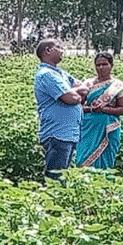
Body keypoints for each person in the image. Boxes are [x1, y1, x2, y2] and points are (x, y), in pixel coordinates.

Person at [34, 38, 88, 180]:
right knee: (55, 179)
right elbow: (71, 98)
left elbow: (82, 87)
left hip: (69, 133)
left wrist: (75, 91)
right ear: (48, 50)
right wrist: (75, 93)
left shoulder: (60, 73)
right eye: (59, 47)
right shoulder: (47, 74)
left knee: (63, 177)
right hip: (57, 134)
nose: (62, 50)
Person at [75, 52, 123, 169]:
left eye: (104, 64)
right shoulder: (87, 84)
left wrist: (103, 109)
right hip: (88, 127)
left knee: (105, 159)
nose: (101, 68)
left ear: (111, 65)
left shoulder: (117, 86)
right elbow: (78, 107)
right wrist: (91, 109)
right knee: (83, 158)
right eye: (98, 65)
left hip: (108, 128)